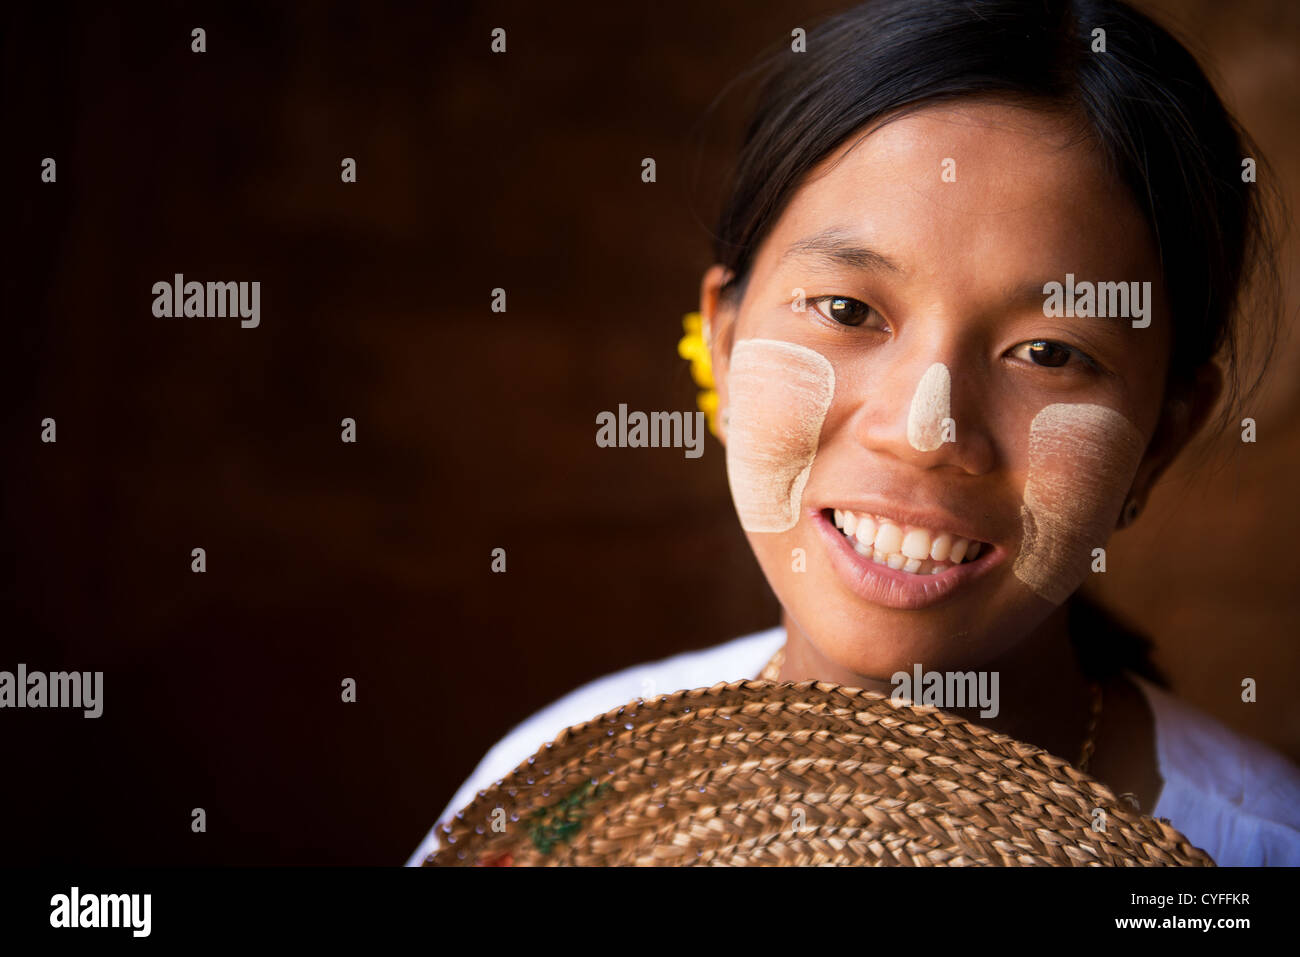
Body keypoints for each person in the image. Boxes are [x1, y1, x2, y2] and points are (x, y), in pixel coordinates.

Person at [408, 0, 1300, 866]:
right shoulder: (546, 804)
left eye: (1049, 351)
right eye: (846, 308)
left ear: (1159, 438)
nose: (925, 430)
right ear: (723, 342)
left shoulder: (1255, 848)